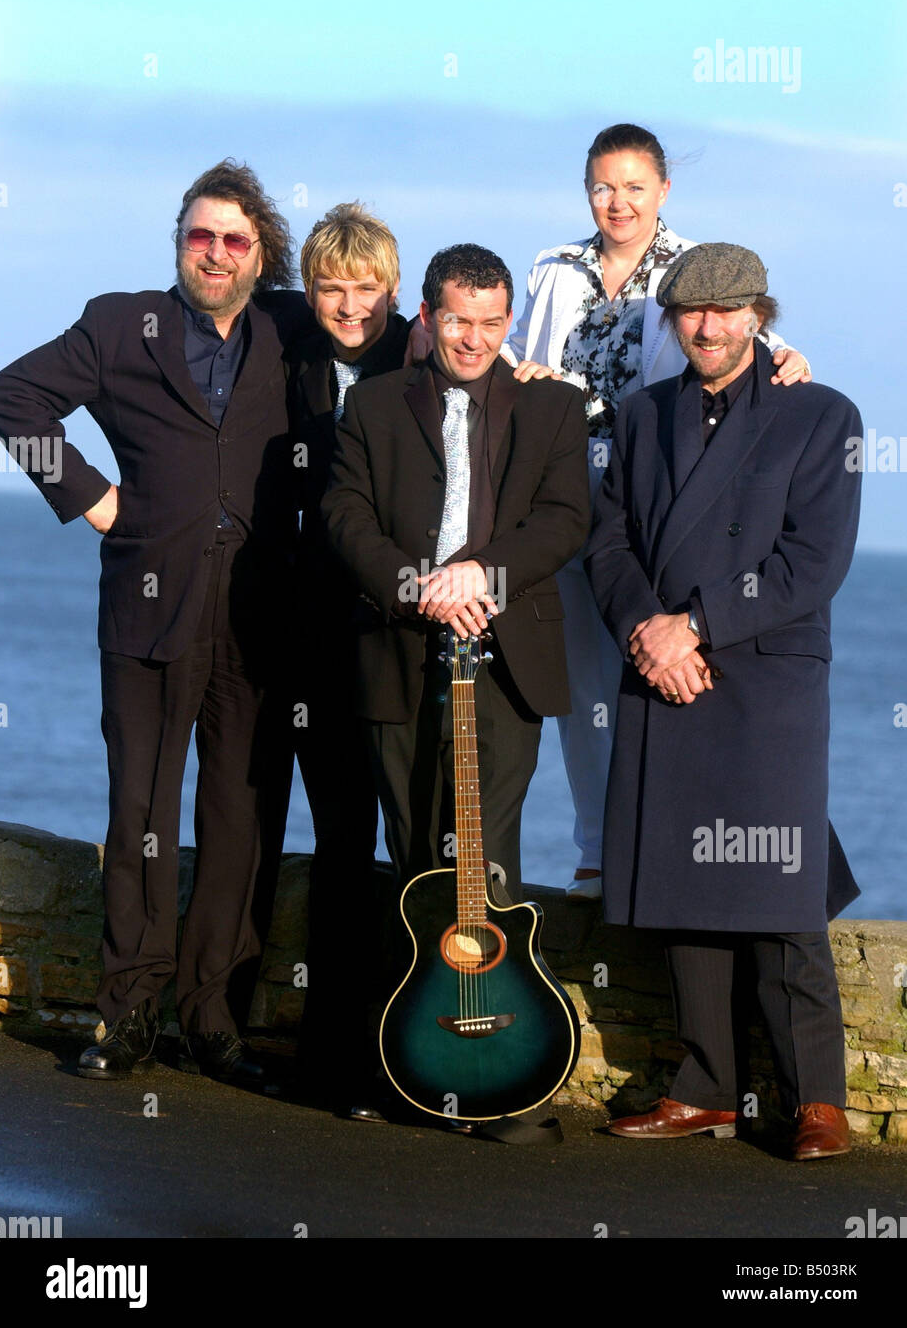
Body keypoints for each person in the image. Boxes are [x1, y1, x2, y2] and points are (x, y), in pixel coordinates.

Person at [0, 160, 313, 1081]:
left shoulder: (287, 326)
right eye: (198, 235)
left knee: (239, 814)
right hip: (145, 606)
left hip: (259, 613)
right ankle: (126, 1015)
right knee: (138, 809)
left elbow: (385, 340)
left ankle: (213, 1019)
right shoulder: (115, 323)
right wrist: (93, 496)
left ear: (261, 254)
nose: (214, 254)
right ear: (179, 239)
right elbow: (10, 395)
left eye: (233, 239)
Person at [586, 242, 861, 1159]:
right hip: (660, 667)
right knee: (680, 885)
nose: (706, 327)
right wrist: (644, 631)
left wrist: (692, 626)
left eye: (725, 311)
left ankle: (815, 1099)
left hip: (764, 674)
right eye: (688, 314)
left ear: (758, 312)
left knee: (779, 885)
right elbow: (608, 541)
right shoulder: (638, 415)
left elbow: (812, 562)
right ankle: (703, 1088)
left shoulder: (820, 416)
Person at [322, 243, 589, 1137]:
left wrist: (477, 576)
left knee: (491, 856)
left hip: (505, 654)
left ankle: (500, 1080)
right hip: (399, 649)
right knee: (407, 859)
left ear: (507, 320)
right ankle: (407, 1063)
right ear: (428, 317)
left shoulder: (553, 407)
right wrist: (417, 587)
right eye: (456, 321)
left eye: (489, 322)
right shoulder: (372, 403)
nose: (472, 339)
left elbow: (564, 520)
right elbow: (343, 513)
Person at [507, 123, 812, 900]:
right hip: (558, 493)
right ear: (586, 190)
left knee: (645, 672)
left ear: (663, 190)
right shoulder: (553, 268)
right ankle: (594, 854)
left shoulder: (686, 266)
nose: (618, 202)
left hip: (651, 498)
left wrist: (788, 355)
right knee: (581, 693)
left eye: (634, 186)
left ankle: (657, 850)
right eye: (603, 186)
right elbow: (508, 351)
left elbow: (738, 334)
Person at [286, 203, 409, 1106]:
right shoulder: (280, 346)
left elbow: (516, 384)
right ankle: (329, 1057)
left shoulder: (421, 349)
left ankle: (410, 1057)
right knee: (336, 846)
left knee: (406, 851)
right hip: (301, 638)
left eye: (367, 288)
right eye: (332, 287)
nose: (350, 305)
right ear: (307, 289)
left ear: (394, 289)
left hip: (398, 638)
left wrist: (780, 358)